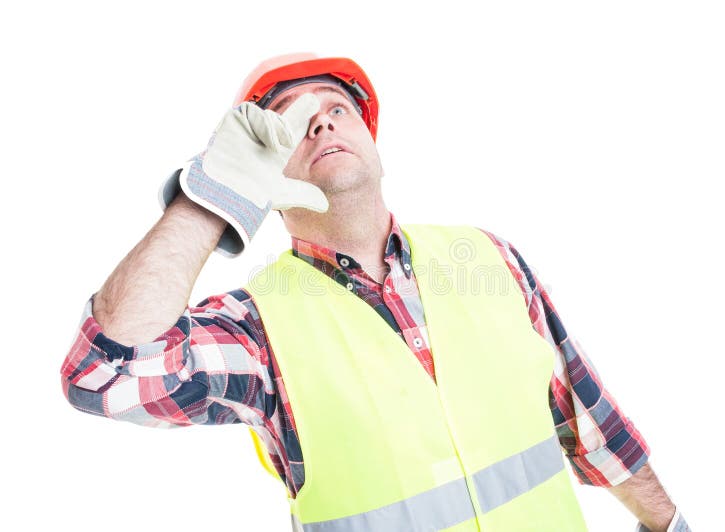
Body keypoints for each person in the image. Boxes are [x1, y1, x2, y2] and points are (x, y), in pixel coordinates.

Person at [60, 53, 689, 531]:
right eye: (294, 123)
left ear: (370, 137)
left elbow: (592, 424)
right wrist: (214, 197)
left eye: (337, 108)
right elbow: (101, 373)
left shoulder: (487, 257)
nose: (322, 122)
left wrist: (671, 525)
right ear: (264, 172)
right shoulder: (257, 331)